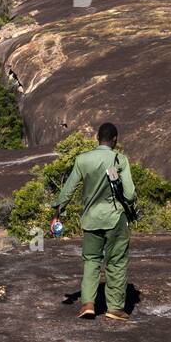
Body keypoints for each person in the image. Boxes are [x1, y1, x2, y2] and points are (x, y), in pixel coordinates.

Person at [52, 122, 137, 321]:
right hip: (115, 219)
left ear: (97, 138)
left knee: (92, 260)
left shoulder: (83, 160)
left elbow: (69, 189)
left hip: (90, 220)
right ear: (114, 139)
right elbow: (130, 194)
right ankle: (114, 308)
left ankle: (88, 304)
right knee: (116, 261)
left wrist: (57, 212)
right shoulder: (120, 159)